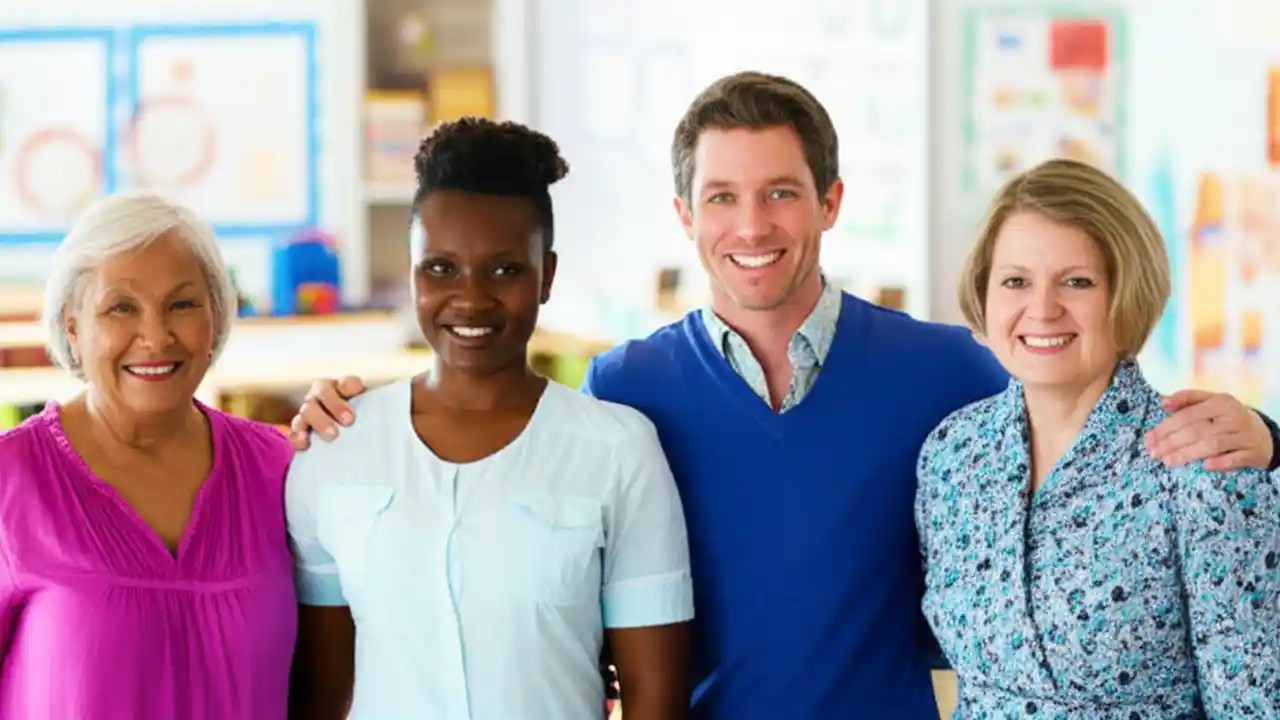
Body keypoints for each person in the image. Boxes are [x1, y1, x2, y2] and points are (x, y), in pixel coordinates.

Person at [287, 73, 1280, 718]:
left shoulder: (948, 377)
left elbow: (1078, 439)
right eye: (721, 196)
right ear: (684, 215)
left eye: (779, 193)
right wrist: (347, 413)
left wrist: (1266, 435)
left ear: (829, 203)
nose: (750, 225)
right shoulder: (624, 391)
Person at [284, 117, 694, 720]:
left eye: (505, 270)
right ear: (412, 273)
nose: (471, 298)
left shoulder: (617, 451)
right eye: (442, 268)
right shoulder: (337, 448)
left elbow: (654, 698)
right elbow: (320, 693)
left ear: (546, 276)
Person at [916, 158, 1280, 717]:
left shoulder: (1206, 464)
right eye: (1016, 281)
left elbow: (1254, 704)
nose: (1042, 309)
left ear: (1125, 294)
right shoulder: (951, 456)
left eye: (1077, 281)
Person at [0, 192, 296, 718]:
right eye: (121, 308)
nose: (156, 336)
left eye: (182, 304)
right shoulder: (11, 480)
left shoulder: (281, 470)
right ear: (72, 326)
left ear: (216, 317)